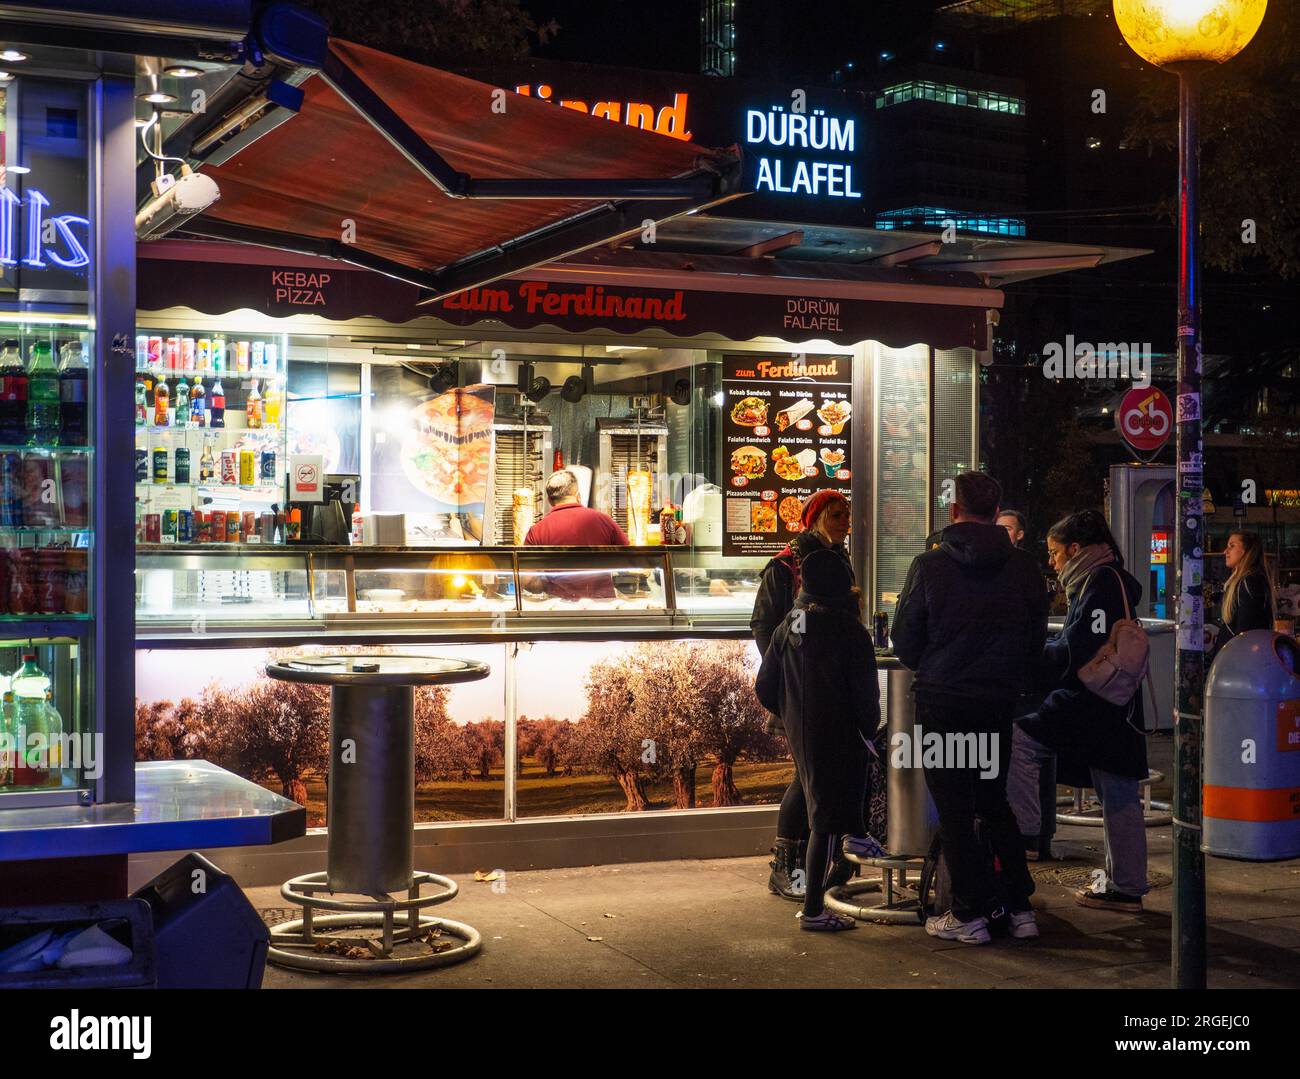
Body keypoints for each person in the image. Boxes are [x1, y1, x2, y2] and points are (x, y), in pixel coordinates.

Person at [891, 471, 1048, 944]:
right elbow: (1034, 641)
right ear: (995, 510)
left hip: (943, 700)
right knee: (993, 800)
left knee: (955, 808)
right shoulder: (1024, 568)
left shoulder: (929, 565)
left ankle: (968, 913)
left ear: (955, 511)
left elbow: (905, 640)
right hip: (995, 700)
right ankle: (1020, 907)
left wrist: (935, 665)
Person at [1008, 509, 1150, 913]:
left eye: (1054, 553)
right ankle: (1127, 885)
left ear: (1075, 549)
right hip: (1116, 705)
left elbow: (1079, 647)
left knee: (1022, 740)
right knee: (1117, 788)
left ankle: (1025, 837)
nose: (1051, 561)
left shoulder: (1100, 582)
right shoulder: (1108, 578)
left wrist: (1035, 663)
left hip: (1090, 702)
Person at [750, 490, 885, 901]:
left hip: (825, 690)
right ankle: (787, 866)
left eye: (847, 513)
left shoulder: (837, 557)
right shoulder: (786, 563)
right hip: (804, 691)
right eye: (836, 514)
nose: (846, 520)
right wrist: (791, 674)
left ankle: (827, 861)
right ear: (814, 517)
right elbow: (762, 624)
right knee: (806, 779)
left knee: (815, 778)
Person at [523, 470, 628, 600]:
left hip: (560, 606)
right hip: (602, 606)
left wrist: (546, 584)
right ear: (578, 496)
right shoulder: (604, 521)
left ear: (549, 500)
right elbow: (629, 560)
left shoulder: (536, 531)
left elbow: (527, 581)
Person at [1212, 530, 1276, 652]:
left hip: (1238, 662)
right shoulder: (1244, 582)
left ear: (1247, 551)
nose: (1225, 551)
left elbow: (1246, 630)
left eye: (1232, 546)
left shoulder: (1250, 583)